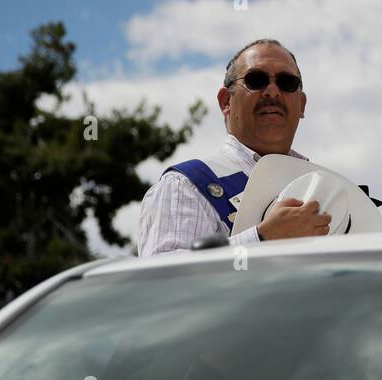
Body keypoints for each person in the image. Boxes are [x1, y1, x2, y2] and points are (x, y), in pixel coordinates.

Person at [138, 38, 337, 256]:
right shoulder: (185, 185)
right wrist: (262, 238)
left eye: (287, 82)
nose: (273, 92)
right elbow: (163, 281)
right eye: (256, 80)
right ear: (226, 101)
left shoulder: (333, 194)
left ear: (302, 104)